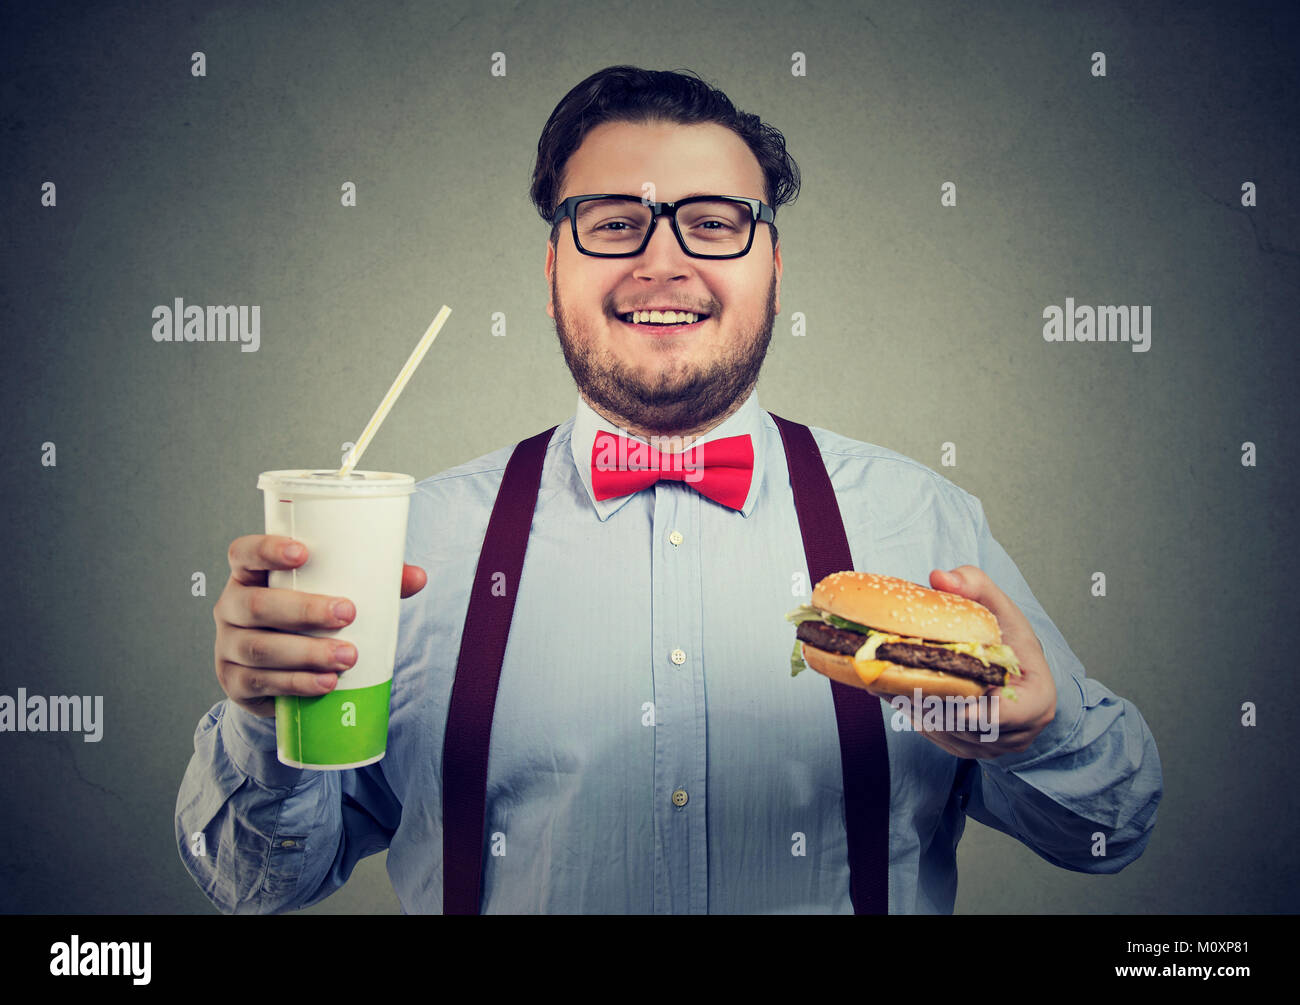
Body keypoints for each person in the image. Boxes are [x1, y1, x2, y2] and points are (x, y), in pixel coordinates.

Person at [176, 65, 1162, 914]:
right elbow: (259, 885)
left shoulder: (918, 522)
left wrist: (1036, 734)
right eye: (612, 224)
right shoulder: (413, 540)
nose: (663, 259)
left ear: (772, 263)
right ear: (553, 265)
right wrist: (266, 720)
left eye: (713, 223)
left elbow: (1106, 833)